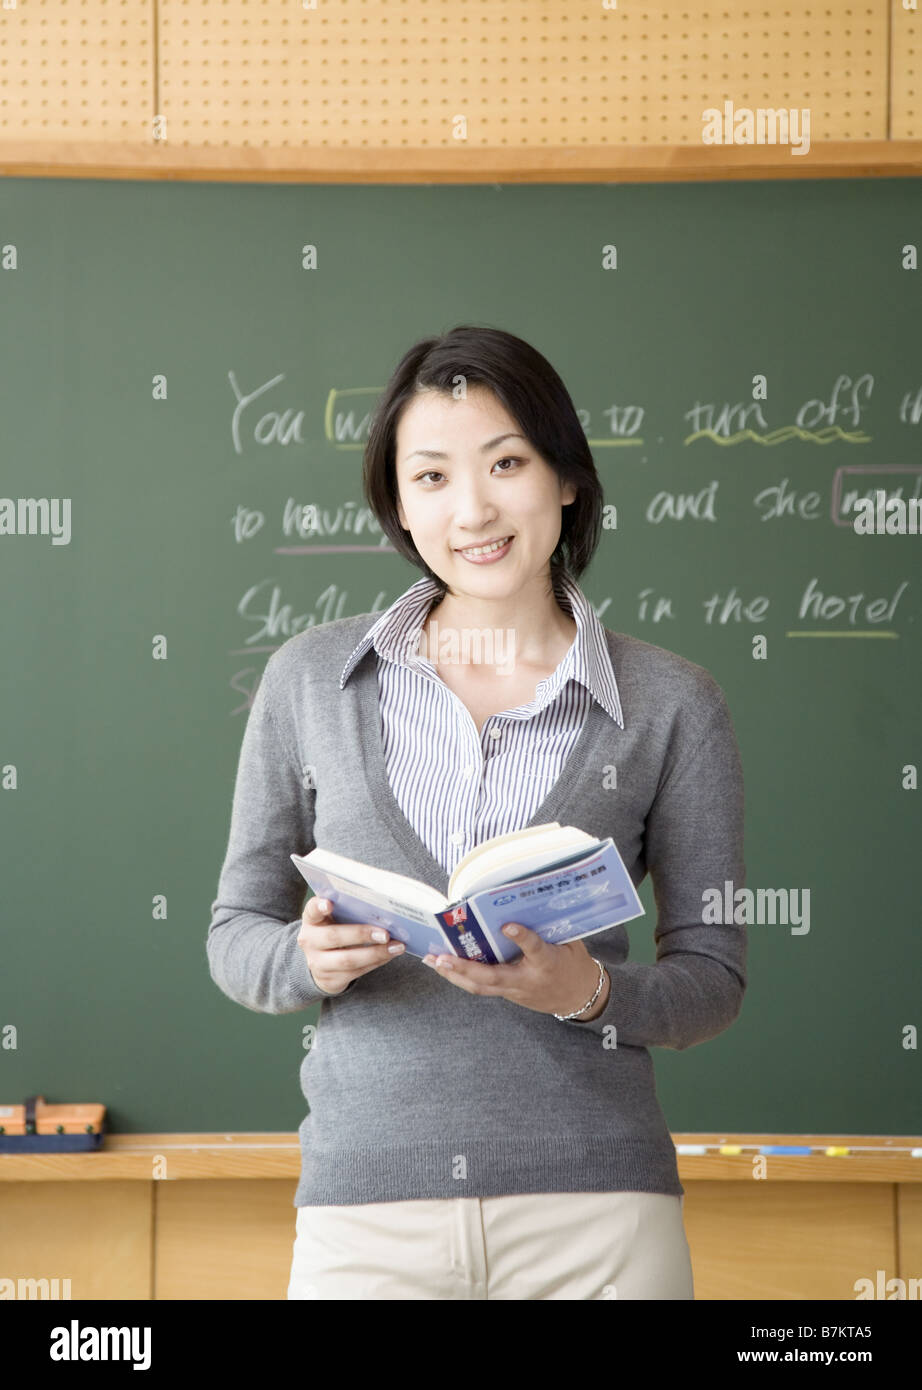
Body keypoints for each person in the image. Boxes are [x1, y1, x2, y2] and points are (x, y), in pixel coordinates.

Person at [208, 323, 747, 1300]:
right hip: (365, 1216)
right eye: (431, 477)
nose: (473, 509)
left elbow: (712, 975)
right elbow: (234, 930)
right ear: (399, 504)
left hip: (598, 1217)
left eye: (506, 462)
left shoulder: (674, 701)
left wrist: (587, 993)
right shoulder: (309, 682)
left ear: (567, 478)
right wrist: (302, 958)